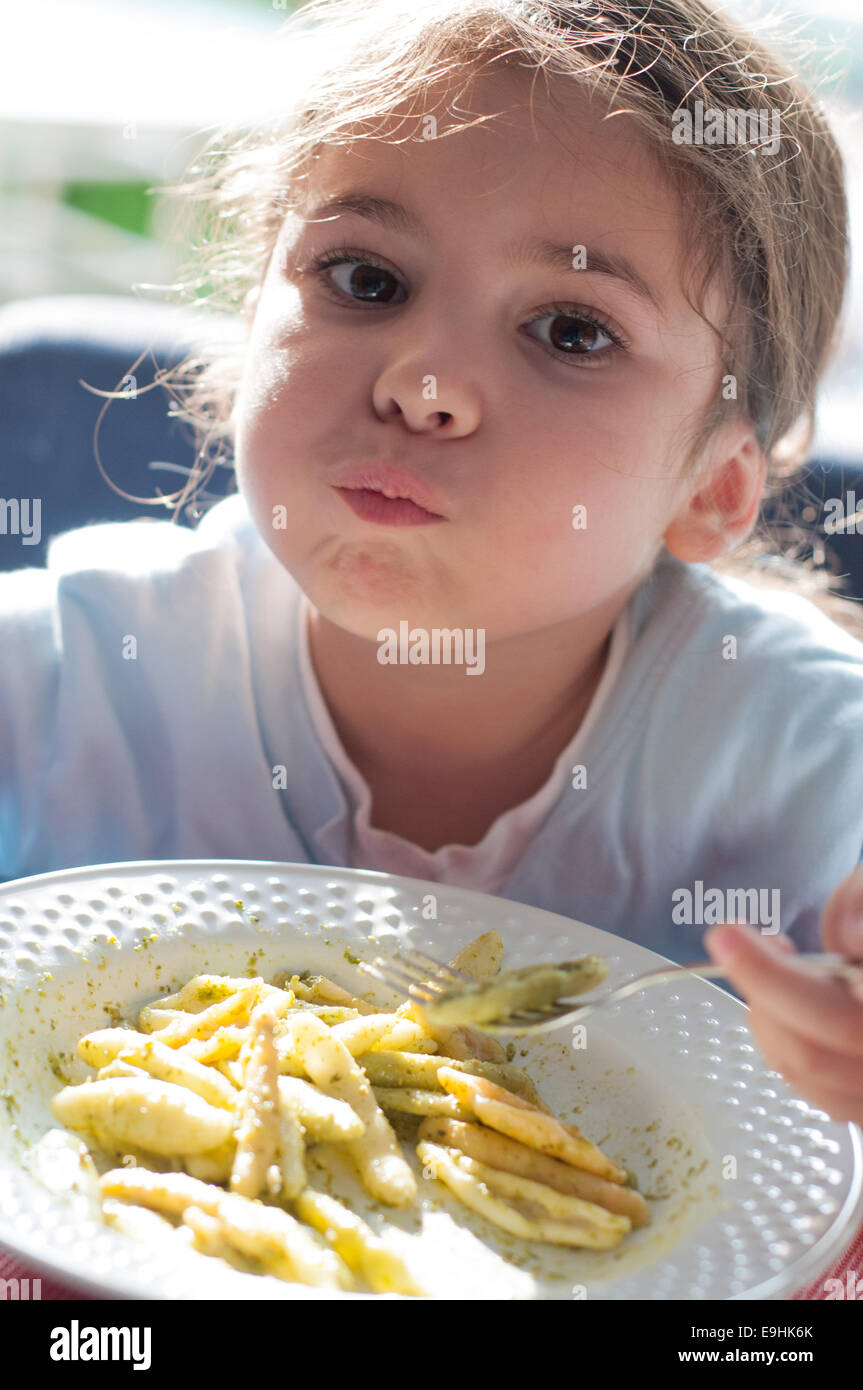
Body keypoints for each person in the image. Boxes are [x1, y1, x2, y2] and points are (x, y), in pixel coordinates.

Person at [2, 0, 863, 1124]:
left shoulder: (810, 764)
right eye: (365, 280)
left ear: (710, 488)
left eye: (570, 331)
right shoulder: (66, 669)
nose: (422, 385)